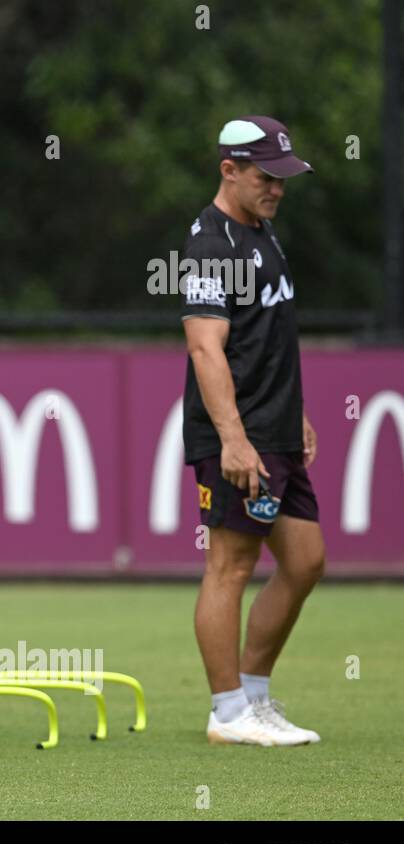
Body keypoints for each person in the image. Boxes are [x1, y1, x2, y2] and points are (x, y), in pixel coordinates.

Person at [180, 115, 323, 746]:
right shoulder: (211, 244)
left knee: (306, 560)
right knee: (230, 566)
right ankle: (228, 713)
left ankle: (256, 697)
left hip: (276, 430)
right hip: (239, 438)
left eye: (284, 177)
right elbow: (206, 351)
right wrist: (234, 439)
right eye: (267, 177)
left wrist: (296, 415)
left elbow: (268, 340)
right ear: (229, 171)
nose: (278, 188)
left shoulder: (260, 233)